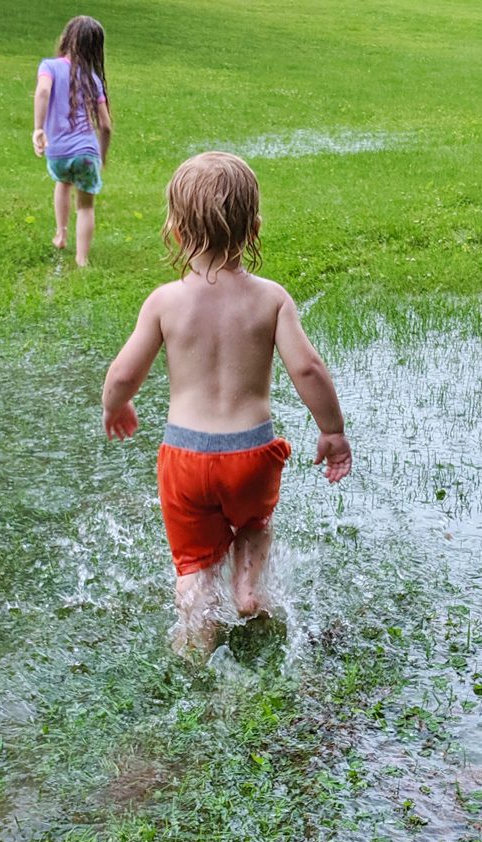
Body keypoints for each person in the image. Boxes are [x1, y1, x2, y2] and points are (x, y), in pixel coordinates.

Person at [101, 151, 352, 654]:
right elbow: (308, 368)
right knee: (255, 524)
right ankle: (249, 588)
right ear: (254, 229)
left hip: (186, 457)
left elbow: (124, 372)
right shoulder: (271, 298)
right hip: (251, 455)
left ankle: (196, 642)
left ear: (174, 231)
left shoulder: (164, 303)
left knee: (192, 565)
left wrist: (116, 406)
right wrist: (332, 431)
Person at [32, 16, 111, 267]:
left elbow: (43, 91)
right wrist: (103, 156)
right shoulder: (94, 79)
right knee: (86, 207)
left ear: (67, 38)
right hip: (87, 152)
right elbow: (106, 125)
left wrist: (38, 129)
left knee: (62, 183)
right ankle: (82, 259)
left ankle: (61, 234)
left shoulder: (50, 66)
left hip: (58, 152)